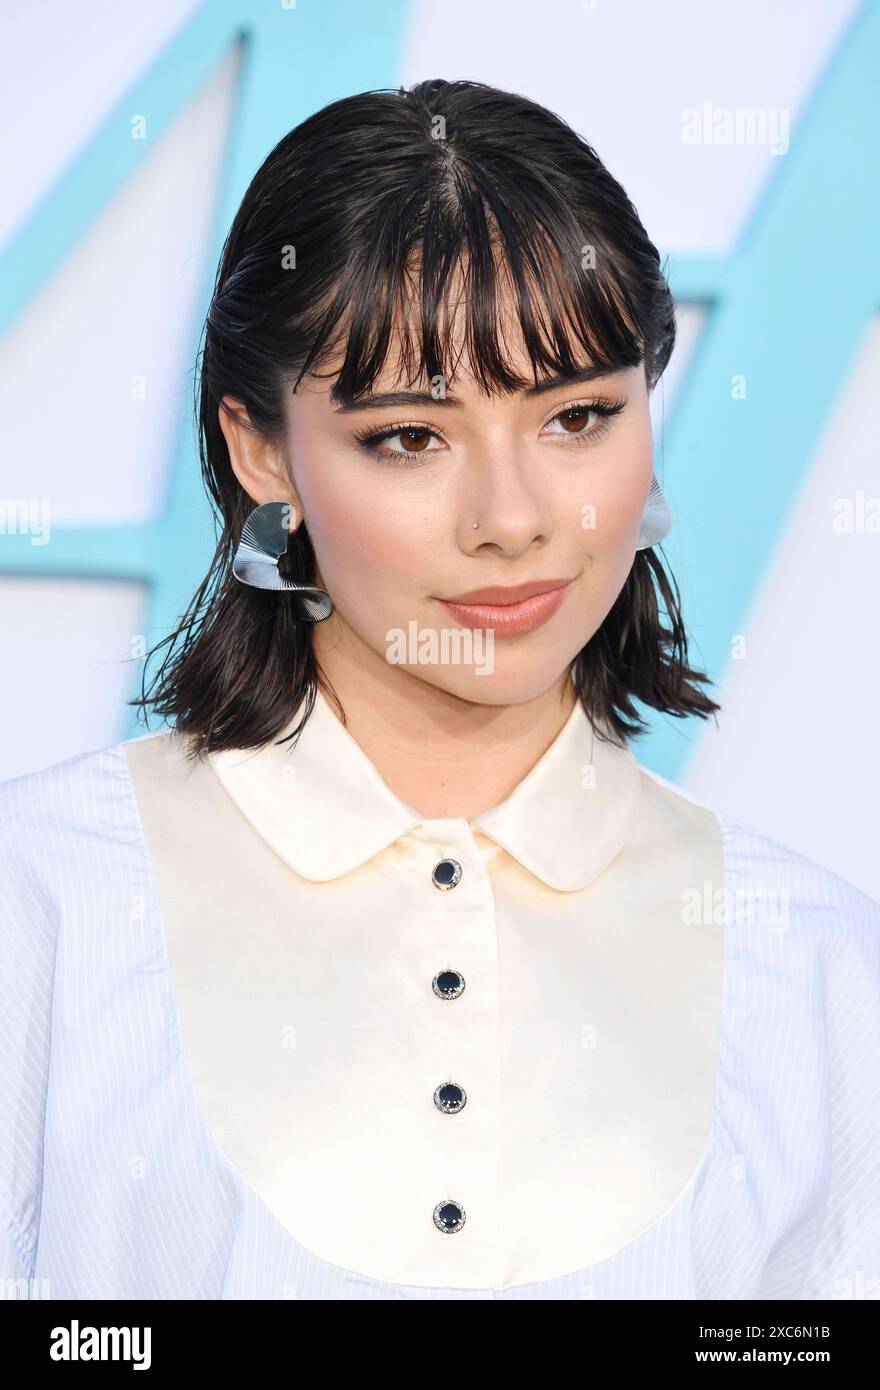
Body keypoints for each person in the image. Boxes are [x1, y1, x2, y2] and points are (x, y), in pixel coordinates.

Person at [2, 78, 878, 1302]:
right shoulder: (37, 905)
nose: (513, 521)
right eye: (409, 437)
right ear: (264, 453)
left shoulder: (826, 973)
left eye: (578, 417)